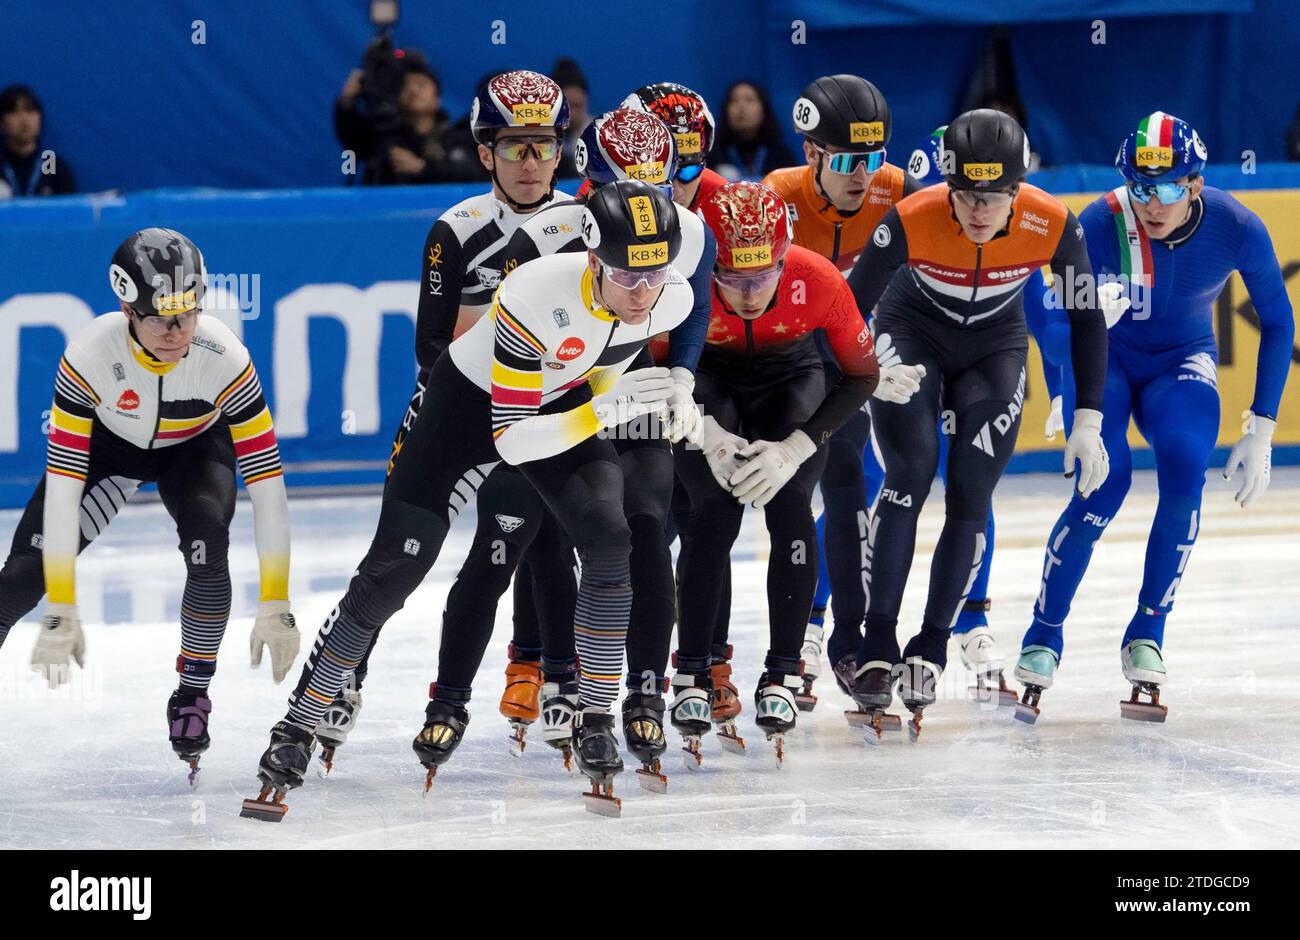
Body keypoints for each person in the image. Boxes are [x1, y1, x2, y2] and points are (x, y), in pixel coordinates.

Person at [244, 181, 697, 820]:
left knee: (608, 538)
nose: (641, 293)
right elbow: (510, 441)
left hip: (557, 402)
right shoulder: (535, 293)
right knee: (394, 572)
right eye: (626, 276)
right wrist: (605, 409)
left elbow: (599, 362)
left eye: (654, 276)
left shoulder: (669, 298)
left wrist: (674, 390)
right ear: (591, 256)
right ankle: (300, 719)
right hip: (466, 412)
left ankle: (595, 710)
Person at [310, 69, 575, 770]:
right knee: (394, 562)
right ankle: (343, 677)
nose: (528, 161)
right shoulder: (454, 230)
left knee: (513, 553)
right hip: (454, 411)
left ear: (559, 150)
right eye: (513, 146)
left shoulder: (584, 227)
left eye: (542, 146)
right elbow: (429, 347)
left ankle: (539, 681)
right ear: (485, 151)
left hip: (533, 422)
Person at [1014, 112, 1294, 723]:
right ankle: (1043, 633)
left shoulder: (1236, 225)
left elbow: (1279, 321)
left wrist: (1263, 426)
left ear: (1194, 184)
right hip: (1108, 359)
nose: (1151, 203)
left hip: (1182, 362)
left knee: (1187, 465)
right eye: (1139, 187)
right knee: (1102, 485)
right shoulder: (1100, 221)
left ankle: (1148, 629)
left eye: (1166, 188)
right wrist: (1068, 376)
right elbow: (1046, 309)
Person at [845, 109, 1110, 740]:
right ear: (949, 185)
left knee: (970, 495)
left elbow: (1087, 318)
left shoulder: (1054, 222)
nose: (977, 209)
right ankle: (878, 640)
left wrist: (1090, 418)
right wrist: (861, 375)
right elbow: (849, 306)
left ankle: (933, 644)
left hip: (995, 348)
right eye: (965, 194)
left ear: (1017, 189)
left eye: (992, 195)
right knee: (908, 473)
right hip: (911, 333)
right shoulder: (912, 217)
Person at [0, 228, 298, 781]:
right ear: (126, 308)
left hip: (193, 450)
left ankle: (192, 693)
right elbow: (65, 488)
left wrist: (276, 600)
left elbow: (268, 487)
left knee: (211, 546)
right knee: (21, 579)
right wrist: (61, 602)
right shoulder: (89, 355)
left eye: (188, 314)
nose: (176, 331)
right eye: (160, 317)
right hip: (107, 454)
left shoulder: (225, 357)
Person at [481, 107, 716, 780]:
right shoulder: (546, 236)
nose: (653, 200)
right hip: (559, 391)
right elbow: (519, 369)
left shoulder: (682, 228)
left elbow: (693, 299)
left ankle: (641, 686)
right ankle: (553, 670)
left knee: (647, 524)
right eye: (633, 183)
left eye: (664, 182)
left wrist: (681, 376)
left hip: (634, 382)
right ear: (593, 183)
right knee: (555, 532)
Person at [670, 181, 883, 765]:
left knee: (791, 507)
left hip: (791, 383)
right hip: (704, 381)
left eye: (761, 277)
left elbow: (861, 376)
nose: (745, 295)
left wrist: (798, 445)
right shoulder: (678, 278)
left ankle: (783, 673)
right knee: (710, 513)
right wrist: (702, 431)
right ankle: (692, 670)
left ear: (785, 257)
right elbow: (648, 368)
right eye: (731, 279)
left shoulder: (818, 280)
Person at [761, 75, 920, 709]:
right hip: (792, 357)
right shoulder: (777, 197)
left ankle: (846, 641)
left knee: (851, 472)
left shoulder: (897, 191)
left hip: (858, 354)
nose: (866, 176)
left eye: (875, 158)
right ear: (813, 155)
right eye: (851, 161)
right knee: (803, 493)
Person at [334, 50, 480, 184]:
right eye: (405, 85)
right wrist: (347, 100)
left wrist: (422, 168)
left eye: (421, 85)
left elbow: (474, 175)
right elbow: (352, 135)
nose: (413, 90)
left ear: (437, 99)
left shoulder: (457, 138)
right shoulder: (385, 138)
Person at [622, 82, 727, 211]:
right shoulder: (595, 197)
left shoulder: (723, 201)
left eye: (688, 172)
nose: (674, 191)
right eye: (657, 174)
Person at [712, 80, 798, 181]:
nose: (741, 106)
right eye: (734, 100)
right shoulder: (713, 156)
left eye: (749, 100)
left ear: (764, 110)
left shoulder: (781, 157)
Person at [0, 85, 75, 197]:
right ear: (1, 122)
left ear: (40, 118)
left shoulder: (55, 167)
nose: (24, 119)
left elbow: (70, 211)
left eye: (30, 110)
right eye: (14, 111)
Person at [550, 57, 592, 177]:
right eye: (568, 106)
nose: (573, 113)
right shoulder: (538, 135)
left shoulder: (598, 135)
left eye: (578, 105)